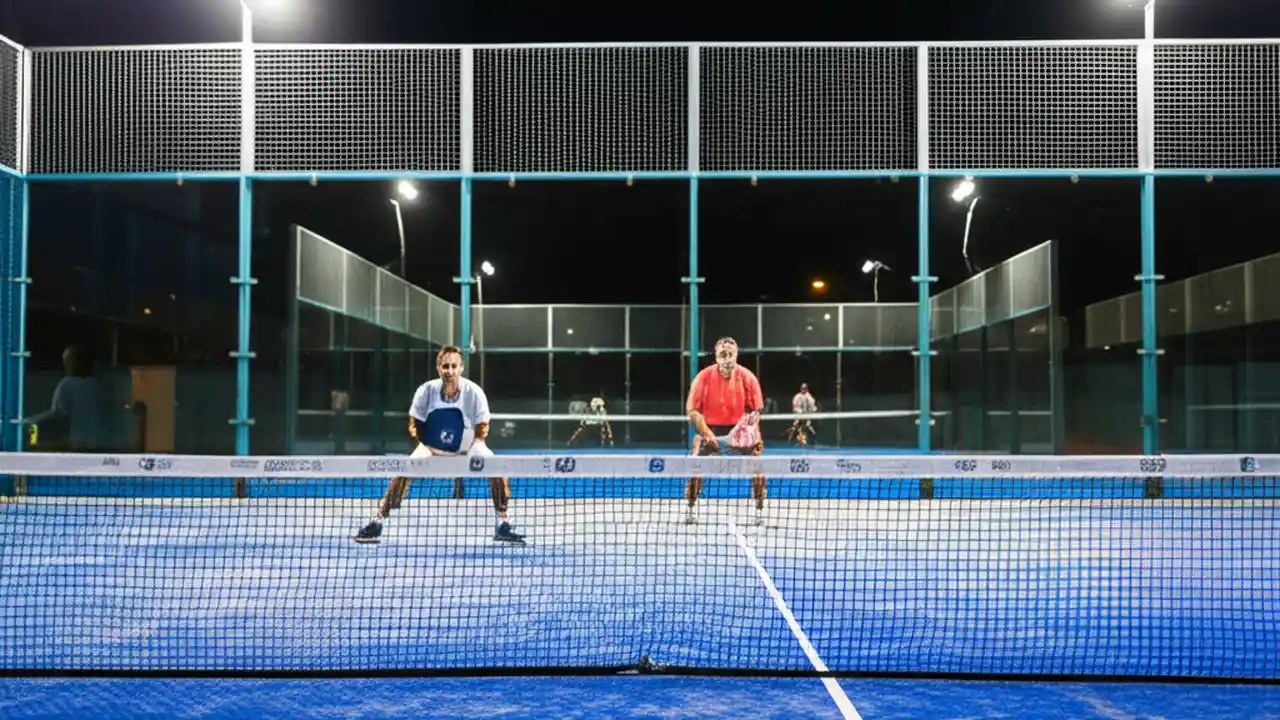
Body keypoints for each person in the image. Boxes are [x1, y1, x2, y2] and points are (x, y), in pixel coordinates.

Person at [354, 346, 525, 545]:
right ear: (438, 368)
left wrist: (470, 447)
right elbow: (413, 425)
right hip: (431, 446)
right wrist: (428, 442)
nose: (449, 371)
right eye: (445, 366)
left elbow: (483, 428)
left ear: (461, 368)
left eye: (454, 366)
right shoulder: (425, 391)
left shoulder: (475, 392)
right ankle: (377, 521)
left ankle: (503, 524)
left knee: (497, 466)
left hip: (469, 445)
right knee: (404, 469)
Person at [684, 336, 767, 525]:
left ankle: (760, 511)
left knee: (758, 465)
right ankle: (690, 509)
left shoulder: (748, 378)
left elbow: (755, 411)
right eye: (723, 354)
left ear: (736, 355)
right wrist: (707, 434)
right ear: (717, 356)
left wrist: (750, 434)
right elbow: (693, 411)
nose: (727, 357)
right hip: (711, 429)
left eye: (730, 354)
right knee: (695, 462)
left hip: (740, 432)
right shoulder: (703, 377)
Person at [22, 345, 111, 452]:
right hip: (102, 449)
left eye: (68, 362)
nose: (65, 366)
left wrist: (29, 421)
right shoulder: (101, 385)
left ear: (78, 362)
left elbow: (57, 413)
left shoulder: (68, 384)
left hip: (79, 447)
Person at [785, 382, 818, 446]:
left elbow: (812, 406)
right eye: (802, 388)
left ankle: (814, 441)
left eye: (805, 388)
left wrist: (810, 412)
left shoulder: (809, 397)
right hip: (799, 415)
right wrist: (799, 412)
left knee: (808, 427)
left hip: (807, 415)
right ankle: (788, 442)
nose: (803, 389)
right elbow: (794, 406)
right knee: (794, 427)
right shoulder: (797, 396)